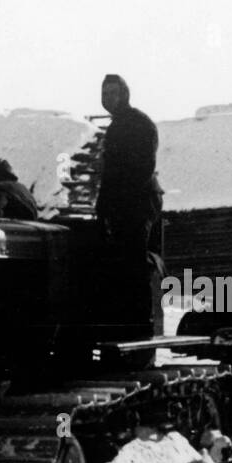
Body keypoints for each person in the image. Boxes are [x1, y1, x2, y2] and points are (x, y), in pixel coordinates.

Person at [97, 74, 162, 335]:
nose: (108, 98)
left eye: (113, 93)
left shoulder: (139, 123)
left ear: (124, 94)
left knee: (134, 263)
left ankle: (140, 326)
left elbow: (143, 167)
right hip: (121, 203)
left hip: (137, 201)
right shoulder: (116, 126)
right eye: (104, 93)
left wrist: (120, 203)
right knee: (120, 264)